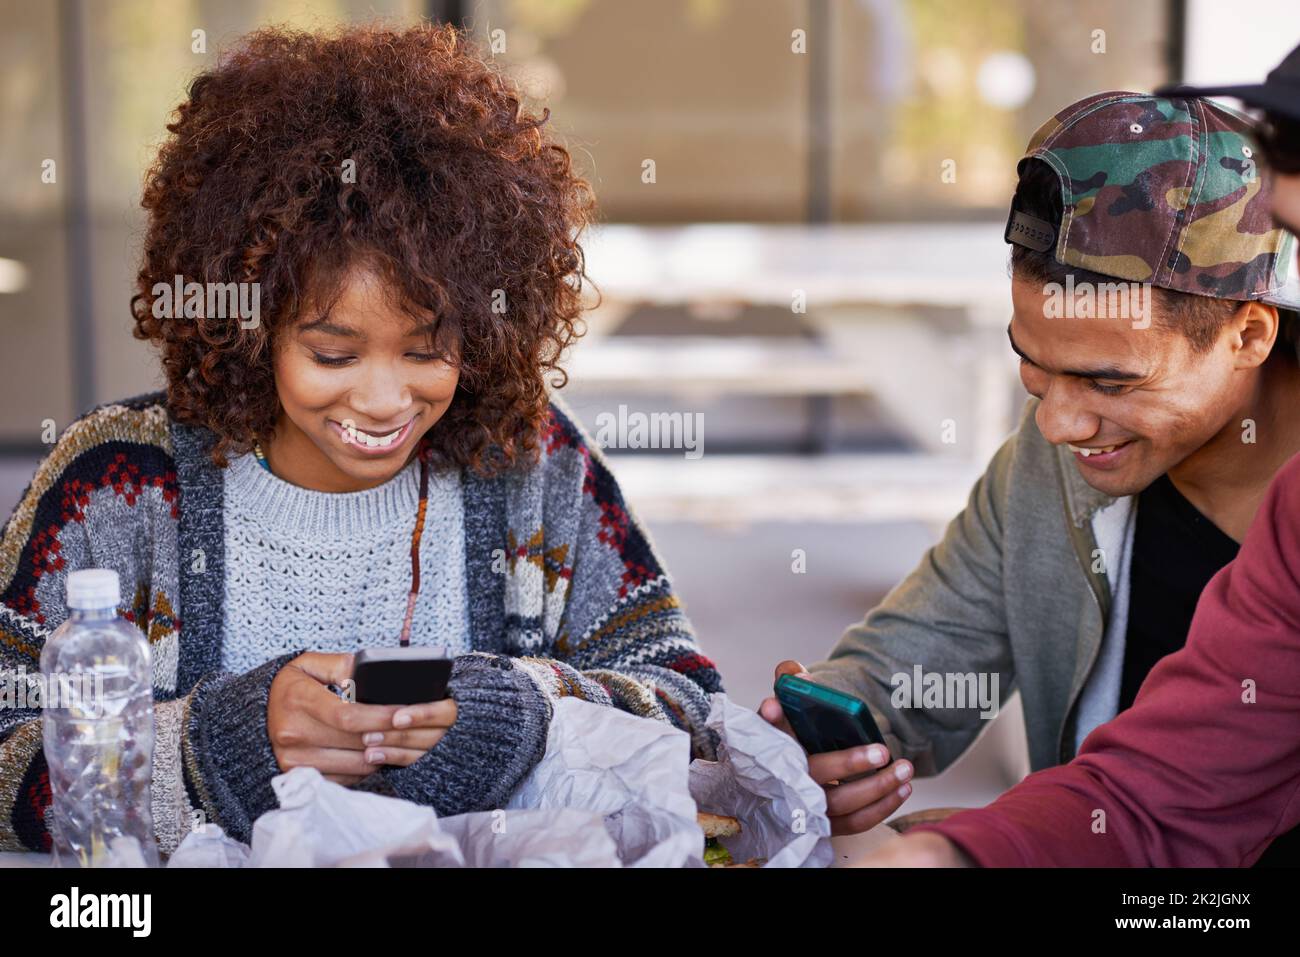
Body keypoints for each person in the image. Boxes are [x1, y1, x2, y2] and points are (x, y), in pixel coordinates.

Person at [0, 23, 722, 858]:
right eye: (332, 352)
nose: (384, 402)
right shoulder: (116, 485)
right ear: (251, 325)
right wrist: (213, 750)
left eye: (427, 349)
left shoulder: (532, 467)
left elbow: (696, 718)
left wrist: (519, 708)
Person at [759, 89, 1300, 855]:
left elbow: (1159, 800)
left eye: (1110, 382)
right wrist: (825, 732)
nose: (1057, 424)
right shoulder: (1061, 457)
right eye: (1033, 364)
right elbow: (923, 655)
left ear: (1248, 334)